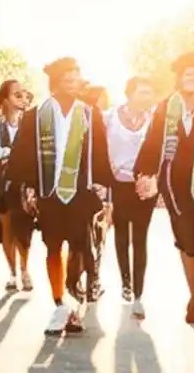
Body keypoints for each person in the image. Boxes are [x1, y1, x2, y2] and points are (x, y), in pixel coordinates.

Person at [6, 57, 112, 336]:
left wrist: (104, 187)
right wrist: (29, 188)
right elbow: (25, 155)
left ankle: (77, 301)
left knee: (81, 247)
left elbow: (100, 153)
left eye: (76, 78)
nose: (73, 82)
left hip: (80, 192)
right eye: (67, 78)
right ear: (56, 82)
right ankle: (58, 305)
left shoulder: (90, 114)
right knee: (53, 247)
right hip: (49, 193)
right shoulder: (37, 114)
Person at [134, 52, 194, 325]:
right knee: (188, 239)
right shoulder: (166, 107)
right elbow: (152, 141)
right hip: (174, 184)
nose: (191, 78)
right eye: (186, 73)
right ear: (179, 78)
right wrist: (145, 172)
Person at [105, 75, 157, 318]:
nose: (146, 97)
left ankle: (139, 294)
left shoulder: (154, 121)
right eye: (142, 92)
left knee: (140, 238)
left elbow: (159, 153)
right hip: (118, 185)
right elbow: (99, 149)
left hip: (143, 187)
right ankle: (125, 280)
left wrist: (153, 179)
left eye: (149, 92)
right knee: (122, 234)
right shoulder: (110, 117)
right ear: (129, 93)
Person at [0, 79, 35, 293]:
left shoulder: (28, 121)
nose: (22, 99)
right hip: (1, 181)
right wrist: (0, 160)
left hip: (22, 181)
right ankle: (12, 272)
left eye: (24, 95)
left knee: (24, 228)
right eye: (16, 95)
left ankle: (25, 269)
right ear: (6, 99)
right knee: (7, 227)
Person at [80, 84, 112, 302]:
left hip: (84, 184)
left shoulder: (83, 113)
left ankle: (88, 281)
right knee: (95, 236)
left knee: (86, 238)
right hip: (92, 185)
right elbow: (102, 153)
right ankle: (93, 281)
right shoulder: (94, 115)